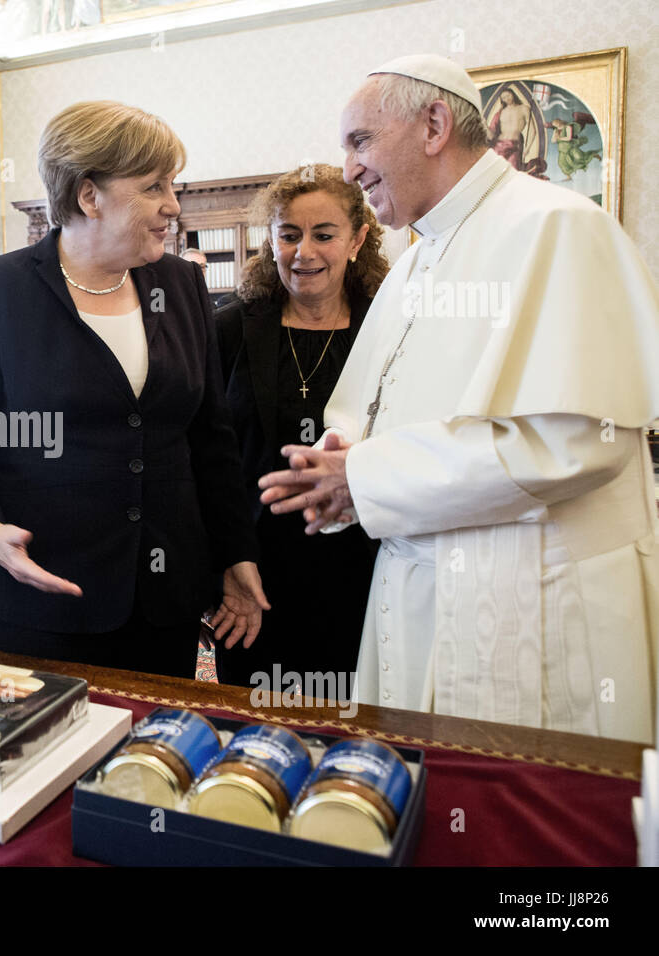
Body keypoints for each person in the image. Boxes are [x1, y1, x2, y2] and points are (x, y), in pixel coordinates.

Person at [259, 54, 659, 743]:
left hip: (528, 607)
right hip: (423, 594)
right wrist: (344, 467)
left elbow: (576, 443)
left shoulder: (555, 227)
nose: (349, 167)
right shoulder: (417, 258)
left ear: (435, 124)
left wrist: (365, 477)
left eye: (360, 140)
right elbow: (385, 418)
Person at [0, 101, 267, 679]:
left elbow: (211, 437)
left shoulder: (181, 283)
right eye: (153, 187)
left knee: (149, 760)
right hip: (44, 592)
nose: (172, 206)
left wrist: (236, 554)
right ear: (89, 196)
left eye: (173, 185)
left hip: (165, 597)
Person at [214, 164, 386, 689]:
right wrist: (220, 567)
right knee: (254, 733)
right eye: (288, 234)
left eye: (323, 235)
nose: (303, 251)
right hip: (254, 579)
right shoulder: (228, 328)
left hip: (363, 572)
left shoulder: (388, 329)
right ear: (271, 241)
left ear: (356, 239)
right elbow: (202, 457)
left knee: (355, 729)